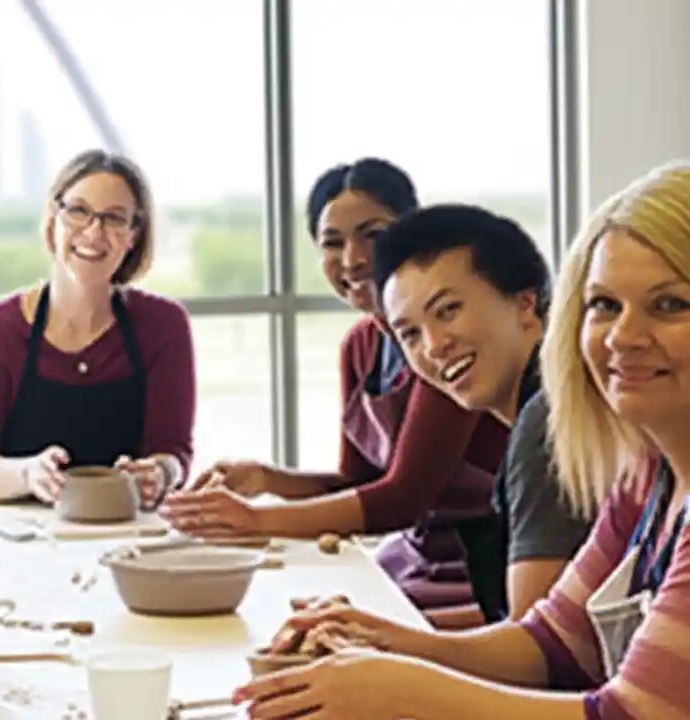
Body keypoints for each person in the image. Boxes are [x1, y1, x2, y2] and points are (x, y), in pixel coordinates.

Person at [236, 161, 690, 719]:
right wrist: (388, 642)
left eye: (670, 304)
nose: (623, 337)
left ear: (528, 306)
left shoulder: (543, 426)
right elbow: (553, 641)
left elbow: (633, 715)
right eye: (604, 306)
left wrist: (401, 687)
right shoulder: (648, 473)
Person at [163, 158, 509, 624]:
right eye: (332, 243)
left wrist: (254, 521)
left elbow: (402, 499)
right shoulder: (361, 345)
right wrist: (268, 479)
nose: (353, 259)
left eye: (374, 234)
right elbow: (359, 484)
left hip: (487, 566)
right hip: (417, 554)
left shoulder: (442, 347)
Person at [374, 203, 592, 621]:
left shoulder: (546, 420)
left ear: (526, 303)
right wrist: (379, 630)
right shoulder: (546, 403)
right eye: (410, 334)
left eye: (448, 311)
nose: (434, 345)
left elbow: (537, 651)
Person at [0, 150, 195, 508]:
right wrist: (27, 474)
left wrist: (159, 474)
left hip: (129, 533)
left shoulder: (165, 325)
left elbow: (173, 451)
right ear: (53, 219)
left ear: (133, 235)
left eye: (114, 218)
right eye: (79, 211)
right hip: (22, 538)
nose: (94, 233)